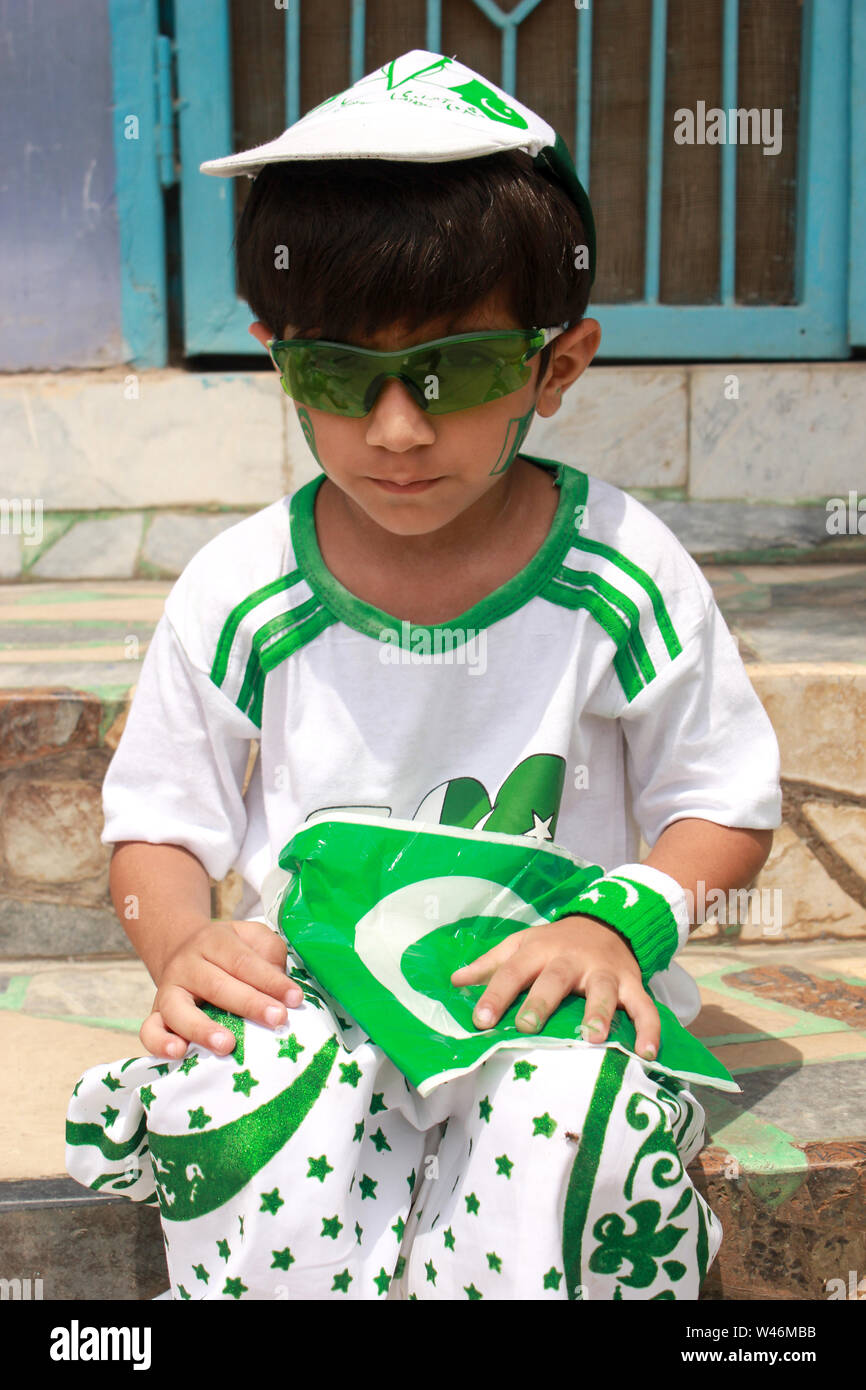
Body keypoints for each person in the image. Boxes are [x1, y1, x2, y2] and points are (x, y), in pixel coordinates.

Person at [65, 50, 781, 1301]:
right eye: (339, 377)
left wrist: (618, 920)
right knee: (235, 1111)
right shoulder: (243, 589)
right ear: (275, 357)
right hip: (317, 1000)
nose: (395, 428)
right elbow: (159, 823)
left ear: (556, 367)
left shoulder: (619, 569)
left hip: (554, 991)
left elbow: (722, 799)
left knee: (575, 1141)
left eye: (453, 372)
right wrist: (183, 946)